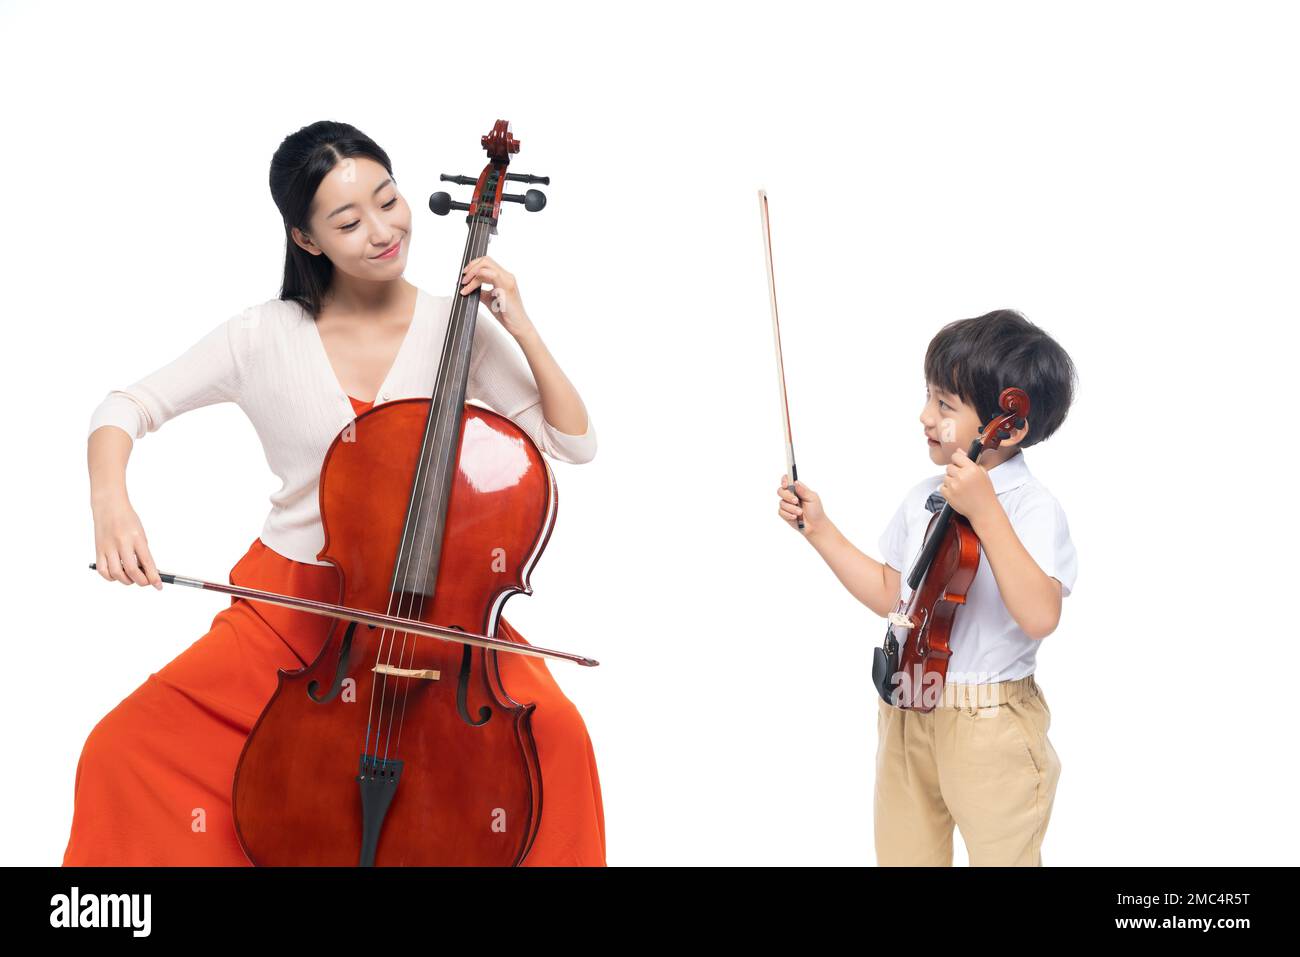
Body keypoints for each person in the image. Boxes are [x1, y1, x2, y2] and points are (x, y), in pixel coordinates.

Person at [64, 120, 605, 867]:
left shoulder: (459, 330)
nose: (383, 231)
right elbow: (122, 409)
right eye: (349, 221)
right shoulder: (261, 336)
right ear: (307, 240)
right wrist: (110, 502)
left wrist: (522, 324)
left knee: (559, 740)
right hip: (292, 614)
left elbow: (572, 443)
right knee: (122, 747)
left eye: (389, 200)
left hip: (435, 617)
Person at [776, 309, 1078, 866]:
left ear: (1007, 427)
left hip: (989, 723)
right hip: (909, 702)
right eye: (929, 398)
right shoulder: (923, 496)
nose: (925, 416)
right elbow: (896, 594)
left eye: (944, 405)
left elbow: (1040, 615)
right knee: (903, 854)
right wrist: (819, 530)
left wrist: (985, 511)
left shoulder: (1031, 507)